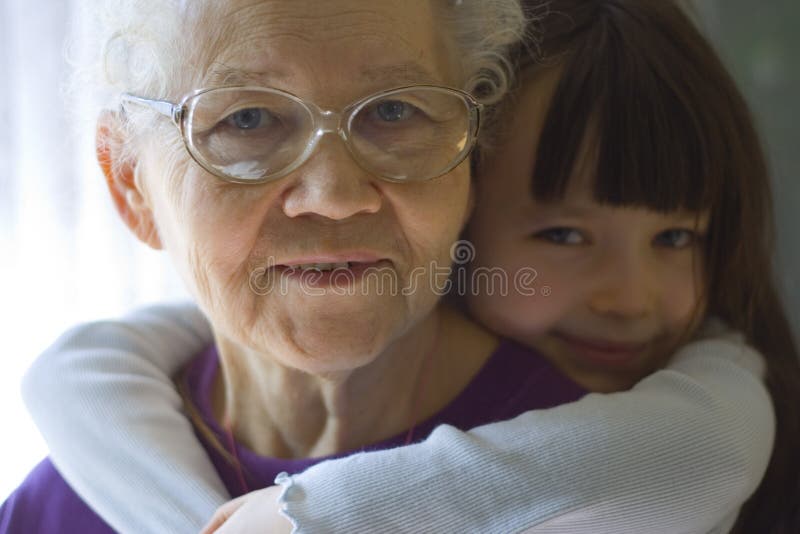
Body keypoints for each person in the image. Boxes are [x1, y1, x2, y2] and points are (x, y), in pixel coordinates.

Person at [13, 0, 799, 533]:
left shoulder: (612, 485)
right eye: (246, 118)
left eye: (395, 111)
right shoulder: (60, 501)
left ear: (471, 161)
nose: (334, 195)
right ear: (129, 186)